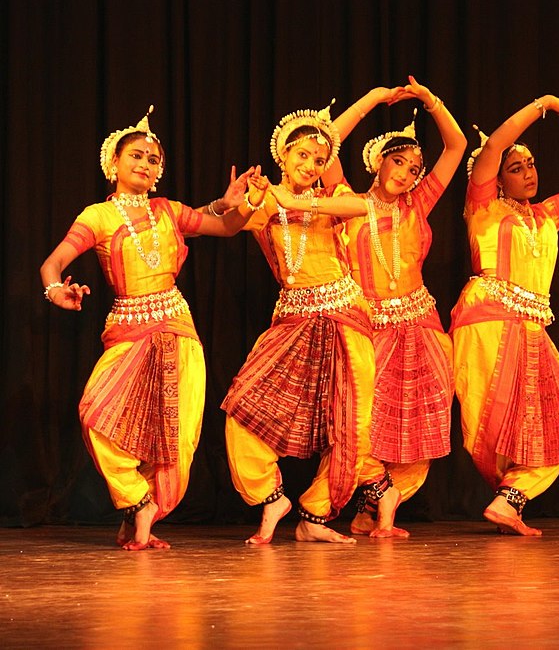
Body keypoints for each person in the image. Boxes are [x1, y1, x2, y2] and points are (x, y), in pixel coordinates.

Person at [39, 107, 255, 550]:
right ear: (113, 163)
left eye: (153, 159)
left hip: (177, 327)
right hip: (128, 328)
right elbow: (53, 263)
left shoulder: (168, 210)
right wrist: (56, 290)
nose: (145, 164)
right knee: (95, 413)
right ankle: (137, 500)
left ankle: (142, 520)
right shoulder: (98, 216)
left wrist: (242, 203)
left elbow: (226, 226)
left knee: (175, 433)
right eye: (136, 156)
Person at [221, 90, 408, 544]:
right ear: (282, 155)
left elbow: (361, 206)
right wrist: (234, 202)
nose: (310, 164)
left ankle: (316, 516)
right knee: (243, 408)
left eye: (320, 159)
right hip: (293, 319)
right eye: (302, 155)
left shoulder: (330, 196)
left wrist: (298, 202)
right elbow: (232, 223)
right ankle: (271, 498)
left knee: (352, 421)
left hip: (344, 314)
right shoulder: (265, 197)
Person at [451, 94, 559, 536]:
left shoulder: (547, 216)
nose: (528, 173)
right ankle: (506, 501)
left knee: (556, 423)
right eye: (516, 168)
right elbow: (495, 145)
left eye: (531, 165)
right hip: (486, 322)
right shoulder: (483, 206)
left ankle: (508, 500)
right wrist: (542, 106)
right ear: (496, 179)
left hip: (531, 327)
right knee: (491, 424)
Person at [338, 77, 466, 538]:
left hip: (420, 324)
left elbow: (457, 146)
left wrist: (432, 101)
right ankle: (378, 497)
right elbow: (327, 143)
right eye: (399, 161)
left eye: (414, 169)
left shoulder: (418, 203)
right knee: (364, 421)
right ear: (378, 161)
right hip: (368, 326)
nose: (407, 173)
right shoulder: (347, 201)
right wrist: (372, 99)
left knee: (419, 422)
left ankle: (377, 509)